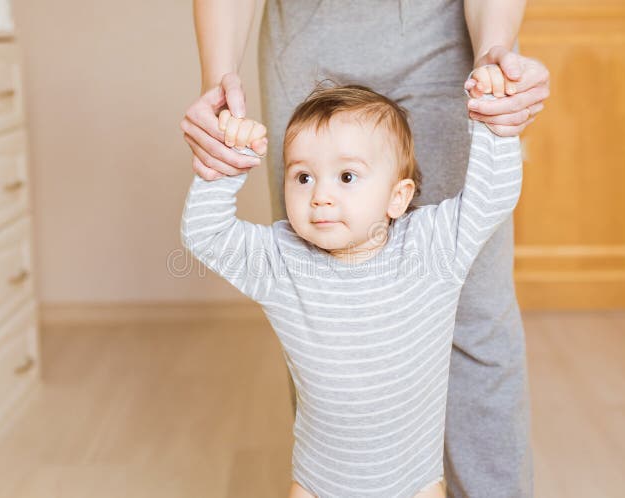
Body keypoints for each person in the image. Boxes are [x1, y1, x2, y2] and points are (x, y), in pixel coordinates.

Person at [181, 1, 550, 496]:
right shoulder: (281, 261)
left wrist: (494, 116)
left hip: (448, 31)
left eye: (347, 176)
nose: (321, 195)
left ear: (401, 197)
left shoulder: (432, 245)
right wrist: (223, 155)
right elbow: (206, 234)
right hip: (318, 485)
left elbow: (490, 198)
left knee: (480, 314)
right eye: (303, 176)